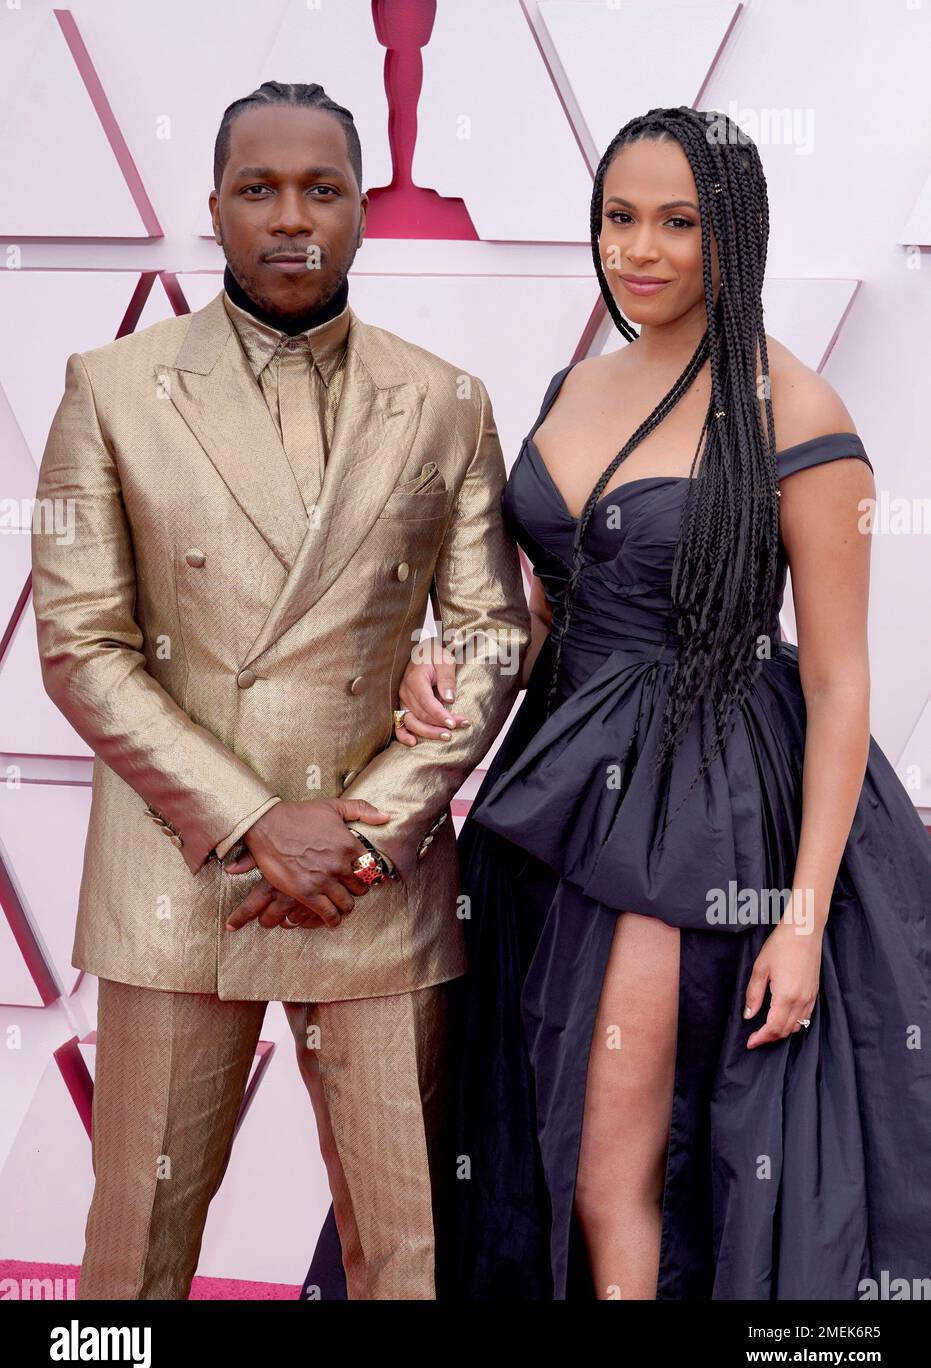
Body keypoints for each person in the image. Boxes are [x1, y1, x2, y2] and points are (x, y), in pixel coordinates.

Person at [304, 104, 931, 1300]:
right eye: (617, 218)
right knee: (521, 1136)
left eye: (676, 223)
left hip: (690, 811)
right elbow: (548, 603)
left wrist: (798, 919)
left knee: (610, 1172)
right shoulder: (572, 381)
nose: (637, 249)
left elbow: (843, 680)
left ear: (733, 233)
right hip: (547, 785)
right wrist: (444, 655)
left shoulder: (798, 415)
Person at [30, 80, 529, 1301]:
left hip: (374, 881)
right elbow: (79, 643)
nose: (291, 217)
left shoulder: (446, 399)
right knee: (134, 1248)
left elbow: (491, 631)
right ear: (214, 209)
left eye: (323, 189)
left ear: (364, 210)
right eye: (260, 189)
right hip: (181, 877)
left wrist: (361, 829)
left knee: (407, 1253)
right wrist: (258, 822)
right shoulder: (111, 385)